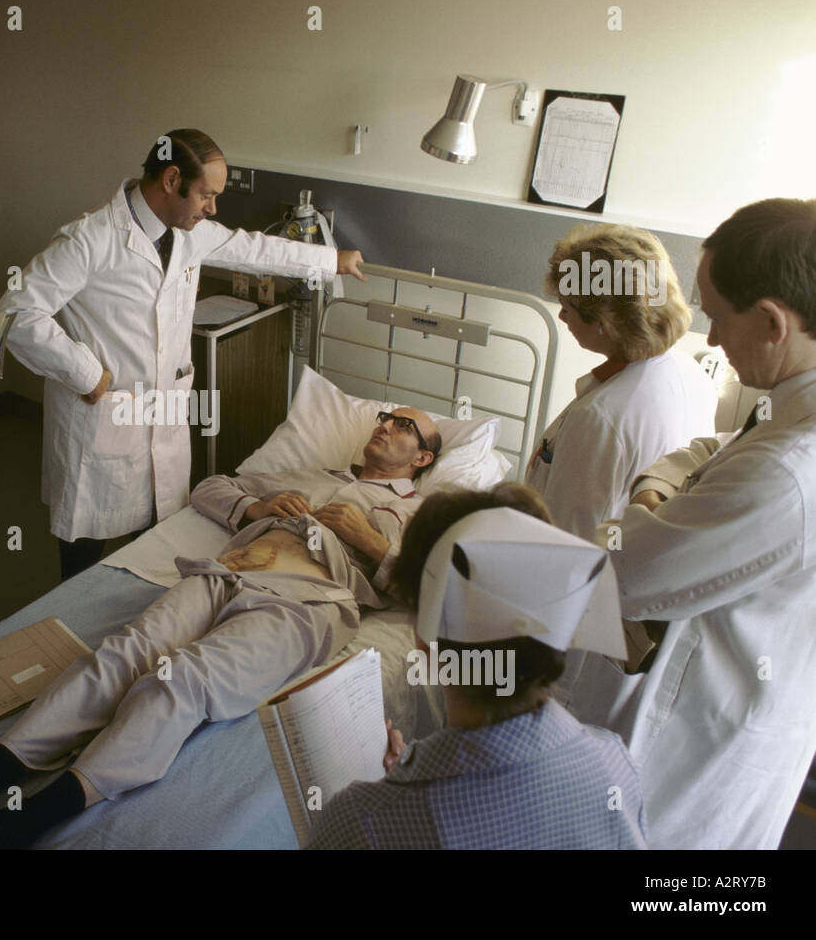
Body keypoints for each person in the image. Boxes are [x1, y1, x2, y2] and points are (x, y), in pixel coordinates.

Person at [0, 407, 441, 848]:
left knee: (186, 678)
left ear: (422, 459)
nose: (386, 424)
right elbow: (210, 488)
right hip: (227, 574)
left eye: (403, 425)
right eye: (384, 416)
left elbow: (428, 593)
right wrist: (257, 507)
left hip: (307, 604)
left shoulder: (419, 516)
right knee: (123, 654)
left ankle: (20, 827)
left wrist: (370, 541)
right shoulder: (309, 474)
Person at [0, 128, 368, 580]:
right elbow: (16, 314)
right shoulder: (89, 240)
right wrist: (85, 372)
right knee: (84, 553)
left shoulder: (191, 234)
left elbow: (254, 248)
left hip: (164, 417)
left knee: (155, 546)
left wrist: (331, 261)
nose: (213, 208)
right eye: (206, 195)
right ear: (172, 180)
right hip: (100, 418)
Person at [564, 198, 816, 849]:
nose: (708, 338)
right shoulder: (788, 413)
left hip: (705, 758)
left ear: (770, 322)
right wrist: (657, 487)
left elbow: (624, 572)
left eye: (714, 313)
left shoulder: (788, 472)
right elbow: (712, 447)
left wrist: (647, 507)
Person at [308, 484, 647, 849]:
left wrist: (404, 788)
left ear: (423, 637)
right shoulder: (614, 763)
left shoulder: (365, 823)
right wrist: (411, 769)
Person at [525, 223, 717, 539]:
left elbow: (567, 540)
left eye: (567, 308)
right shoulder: (691, 374)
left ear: (604, 323)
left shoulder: (600, 417)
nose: (562, 318)